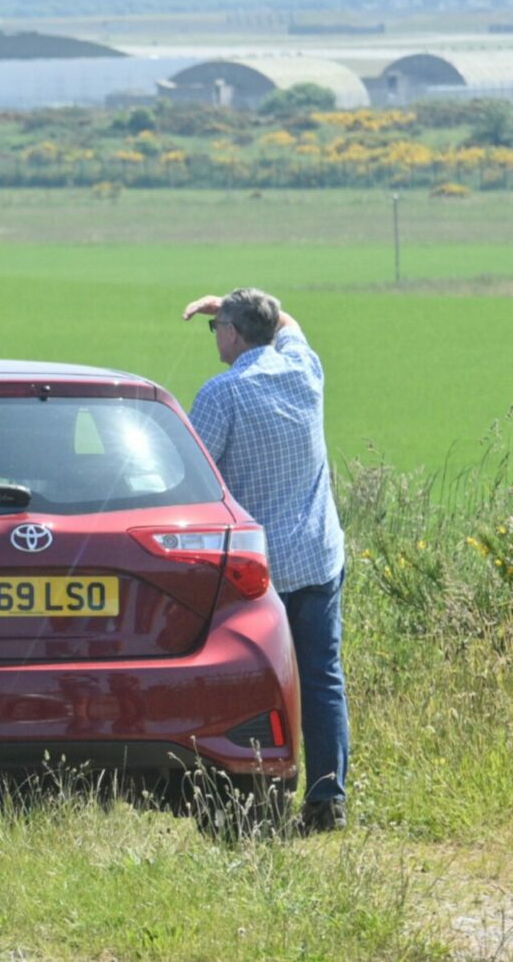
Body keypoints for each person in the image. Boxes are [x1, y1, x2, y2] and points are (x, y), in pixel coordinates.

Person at [183, 288, 350, 833]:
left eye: (217, 328)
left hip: (259, 574)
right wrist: (228, 301)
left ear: (231, 334)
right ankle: (328, 800)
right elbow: (286, 321)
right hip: (318, 558)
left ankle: (246, 796)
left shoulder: (221, 394)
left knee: (245, 680)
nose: (216, 336)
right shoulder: (305, 368)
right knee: (322, 679)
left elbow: (191, 480)